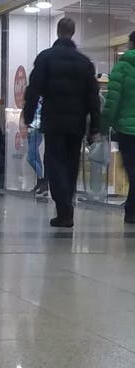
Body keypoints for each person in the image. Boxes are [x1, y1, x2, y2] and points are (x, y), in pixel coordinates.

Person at [23, 18, 100, 228]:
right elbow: (93, 97)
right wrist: (95, 126)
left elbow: (33, 89)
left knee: (54, 164)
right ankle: (66, 209)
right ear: (72, 33)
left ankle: (64, 208)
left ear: (58, 32)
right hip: (76, 124)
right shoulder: (85, 63)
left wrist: (28, 115)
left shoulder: (46, 58)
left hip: (54, 121)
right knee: (71, 165)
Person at [102, 31, 135, 224]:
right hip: (125, 127)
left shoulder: (122, 68)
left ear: (131, 43)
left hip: (126, 130)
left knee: (132, 169)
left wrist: (104, 124)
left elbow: (112, 101)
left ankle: (131, 210)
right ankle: (131, 208)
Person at [26, 101, 48, 196]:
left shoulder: (40, 99)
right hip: (32, 128)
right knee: (36, 156)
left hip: (36, 129)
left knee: (30, 157)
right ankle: (41, 183)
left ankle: (42, 179)